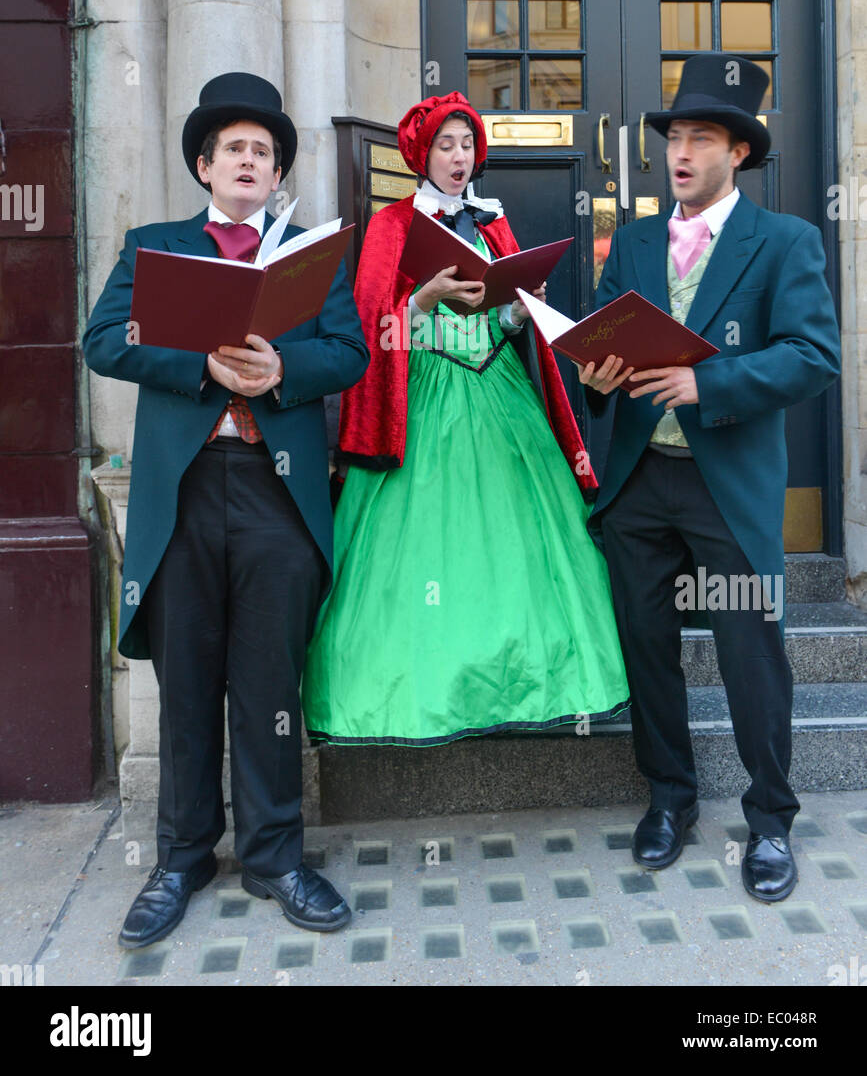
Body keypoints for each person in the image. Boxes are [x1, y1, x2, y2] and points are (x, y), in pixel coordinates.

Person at [83, 72, 369, 947]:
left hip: (276, 487)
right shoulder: (153, 245)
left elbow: (350, 351)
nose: (250, 161)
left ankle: (277, 855)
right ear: (205, 165)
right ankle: (180, 857)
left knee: (268, 683)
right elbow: (103, 341)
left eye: (264, 151)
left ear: (277, 172)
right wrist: (199, 365)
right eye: (235, 149)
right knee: (185, 680)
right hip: (185, 490)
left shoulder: (312, 256)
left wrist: (285, 371)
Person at [579, 53, 840, 902]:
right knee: (647, 649)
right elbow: (604, 330)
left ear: (738, 153)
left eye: (699, 138)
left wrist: (708, 381)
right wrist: (595, 368)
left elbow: (812, 357)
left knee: (747, 652)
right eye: (673, 138)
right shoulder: (637, 239)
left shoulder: (787, 242)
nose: (679, 152)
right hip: (638, 483)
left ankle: (769, 820)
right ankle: (669, 799)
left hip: (724, 489)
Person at [301, 91, 630, 745]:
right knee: (427, 544)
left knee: (520, 544)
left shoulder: (491, 222)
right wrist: (421, 298)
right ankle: (424, 692)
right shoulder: (394, 226)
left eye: (466, 145)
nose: (458, 157)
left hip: (501, 395)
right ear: (421, 155)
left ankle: (535, 682)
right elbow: (372, 332)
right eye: (445, 145)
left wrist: (516, 307)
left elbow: (511, 326)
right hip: (421, 399)